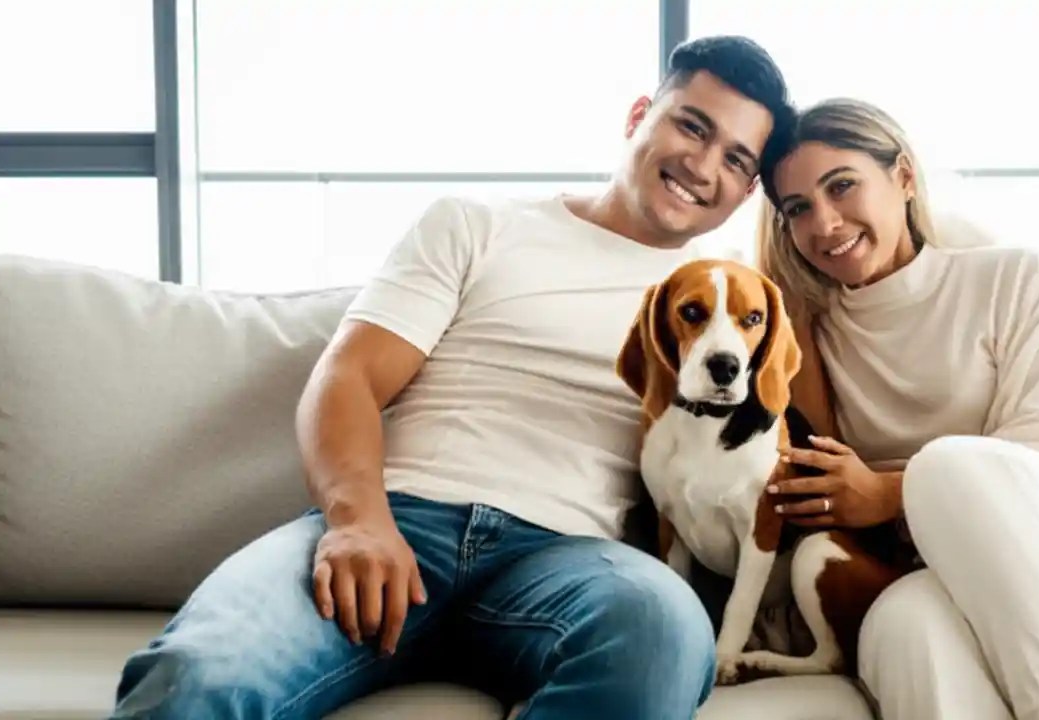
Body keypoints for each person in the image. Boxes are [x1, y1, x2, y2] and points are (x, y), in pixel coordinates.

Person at [109, 36, 793, 720]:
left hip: (570, 565)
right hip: (401, 521)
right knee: (197, 675)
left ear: (747, 192)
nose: (703, 165)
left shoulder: (737, 305)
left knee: (663, 633)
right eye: (691, 126)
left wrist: (856, 485)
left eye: (736, 160)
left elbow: (790, 414)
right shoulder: (476, 226)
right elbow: (349, 377)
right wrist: (357, 521)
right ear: (639, 115)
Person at [753, 97, 1039, 720]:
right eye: (798, 208)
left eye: (842, 186)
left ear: (903, 176)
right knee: (907, 623)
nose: (825, 223)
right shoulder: (808, 334)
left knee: (949, 466)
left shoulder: (1010, 277)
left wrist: (891, 492)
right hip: (954, 582)